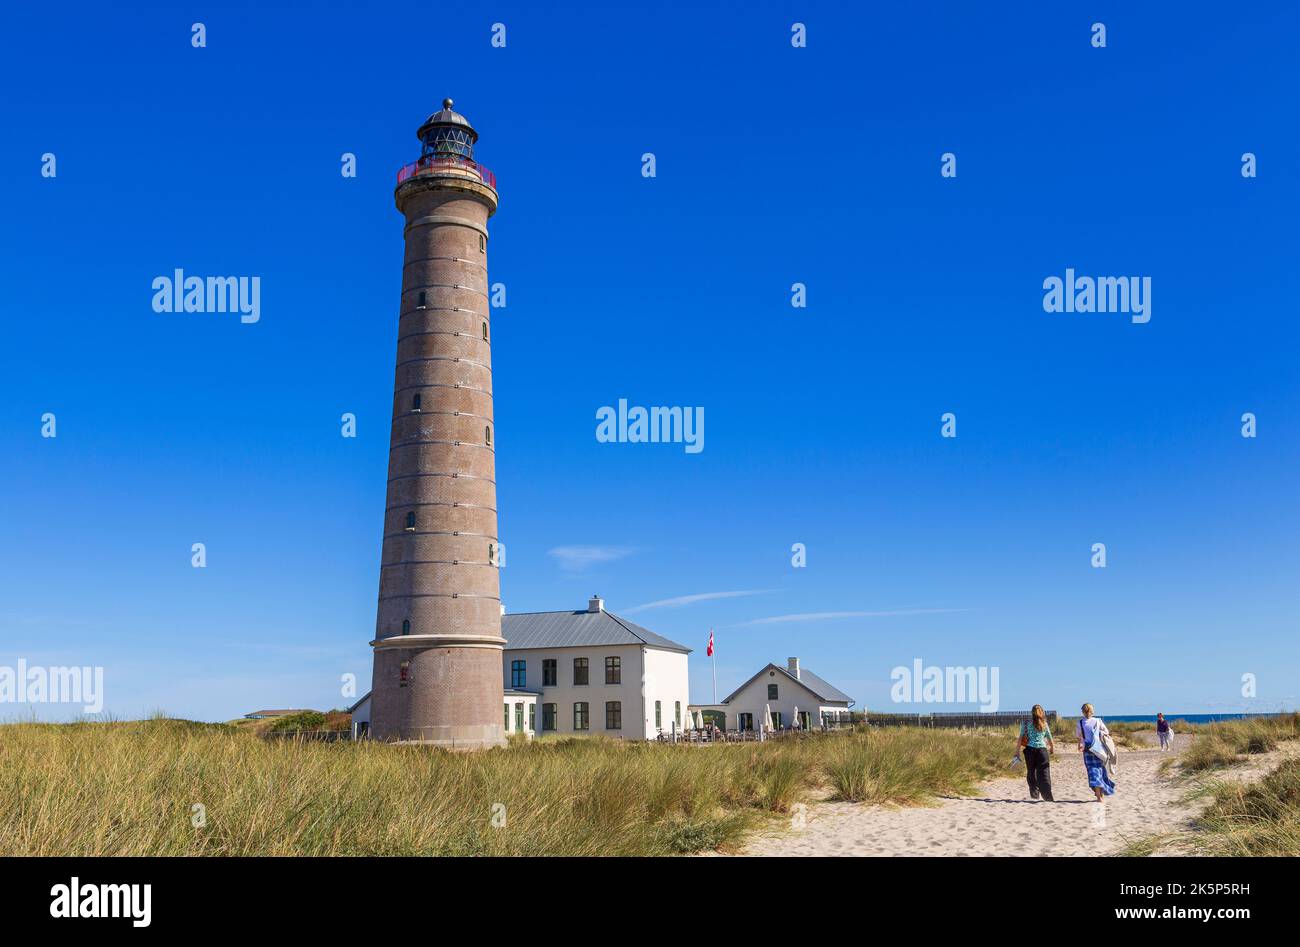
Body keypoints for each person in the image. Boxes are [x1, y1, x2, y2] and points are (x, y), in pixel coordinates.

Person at [1013, 704, 1055, 801]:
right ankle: (1048, 796)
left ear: (1032, 712)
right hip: (1042, 751)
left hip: (1030, 751)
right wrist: (1052, 748)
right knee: (1044, 774)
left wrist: (1017, 752)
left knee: (1031, 773)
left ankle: (1035, 795)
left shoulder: (1026, 723)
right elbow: (1049, 738)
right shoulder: (1044, 723)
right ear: (1042, 712)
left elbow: (1020, 739)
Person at [1077, 702, 1116, 801]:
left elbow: (1080, 738)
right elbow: (1106, 733)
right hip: (1099, 750)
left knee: (1093, 773)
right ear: (1092, 711)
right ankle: (1100, 794)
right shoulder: (1098, 721)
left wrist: (1080, 745)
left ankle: (1099, 795)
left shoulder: (1080, 722)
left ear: (1082, 711)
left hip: (1087, 750)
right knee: (1099, 771)